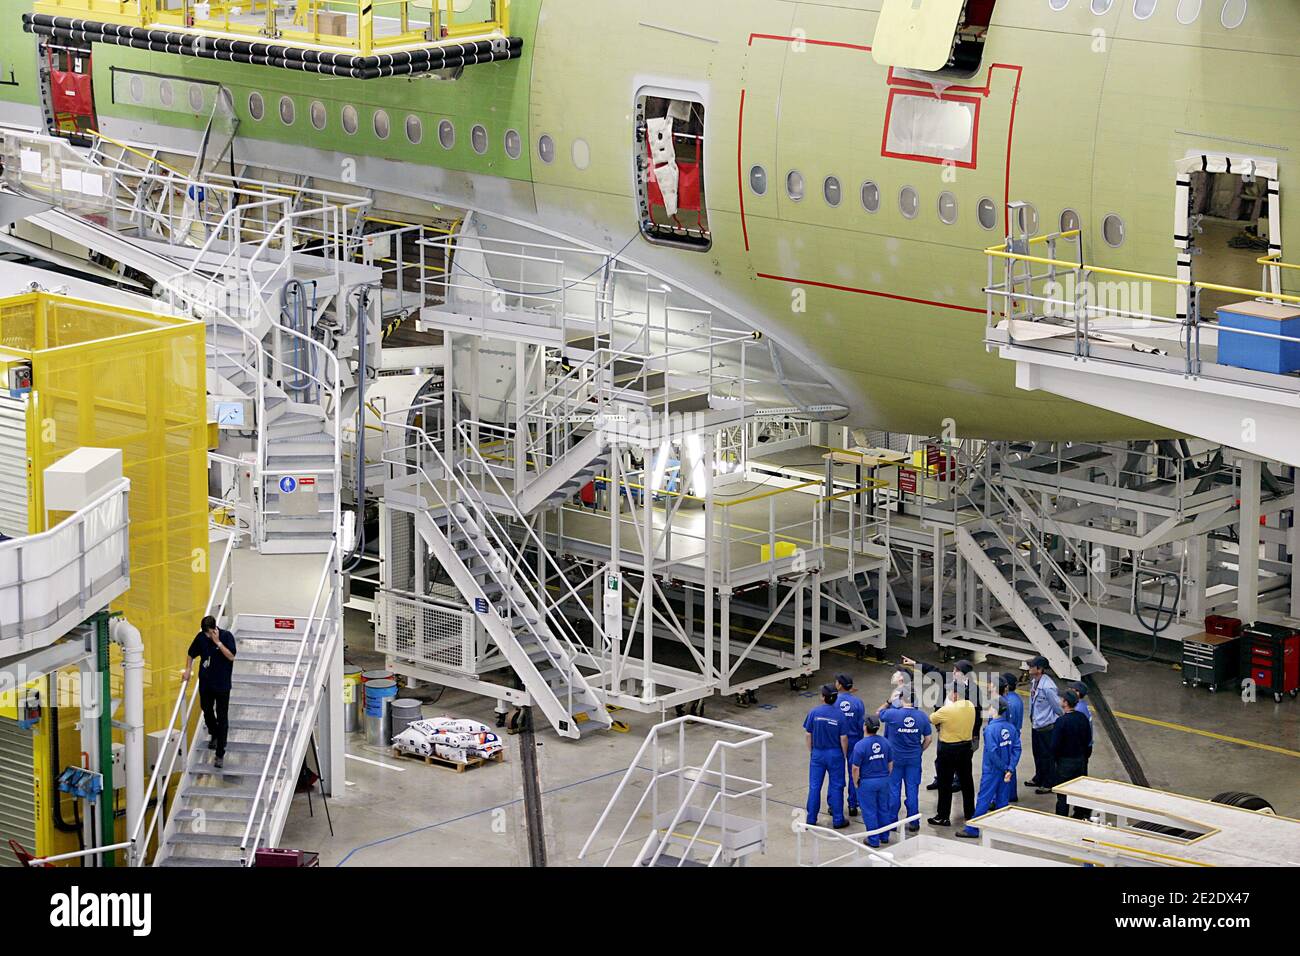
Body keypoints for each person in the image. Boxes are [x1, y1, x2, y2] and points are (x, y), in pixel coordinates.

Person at [957, 698, 1021, 838]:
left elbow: (992, 753)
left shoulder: (990, 729)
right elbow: (1017, 748)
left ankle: (973, 829)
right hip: (1006, 772)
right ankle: (1000, 829)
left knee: (984, 799)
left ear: (995, 709)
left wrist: (1004, 768)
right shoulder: (1011, 728)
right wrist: (1010, 769)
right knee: (1002, 800)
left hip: (992, 771)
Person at [183, 615, 238, 769]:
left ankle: (220, 754)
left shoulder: (227, 637)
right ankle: (214, 732)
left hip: (222, 686)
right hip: (206, 684)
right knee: (206, 710)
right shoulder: (201, 638)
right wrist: (188, 669)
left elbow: (231, 656)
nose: (206, 636)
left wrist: (217, 643)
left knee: (223, 718)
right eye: (205, 634)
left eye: (208, 633)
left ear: (214, 630)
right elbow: (190, 653)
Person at [878, 690, 933, 832]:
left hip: (895, 758)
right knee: (912, 789)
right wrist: (919, 750)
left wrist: (889, 701)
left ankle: (892, 821)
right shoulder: (922, 717)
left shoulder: (892, 714)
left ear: (902, 699)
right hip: (913, 759)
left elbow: (879, 713)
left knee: (894, 789)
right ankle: (913, 822)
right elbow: (928, 738)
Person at [926, 688, 976, 828]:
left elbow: (931, 718)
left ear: (955, 694)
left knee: (945, 783)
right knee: (967, 782)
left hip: (948, 750)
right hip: (965, 748)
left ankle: (943, 816)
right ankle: (970, 813)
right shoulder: (970, 706)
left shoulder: (946, 710)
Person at [804, 683, 850, 829]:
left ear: (823, 697)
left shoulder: (814, 712)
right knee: (836, 786)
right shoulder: (840, 715)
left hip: (818, 753)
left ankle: (811, 818)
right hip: (835, 753)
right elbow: (843, 738)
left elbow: (808, 734)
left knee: (814, 787)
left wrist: (812, 751)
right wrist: (843, 755)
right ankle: (838, 820)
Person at [849, 716, 893, 847]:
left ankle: (873, 840)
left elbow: (855, 768)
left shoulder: (860, 745)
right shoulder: (886, 742)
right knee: (883, 808)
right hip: (883, 780)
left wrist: (856, 782)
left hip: (867, 782)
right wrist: (886, 777)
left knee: (869, 811)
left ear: (864, 727)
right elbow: (890, 763)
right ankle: (885, 836)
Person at [1051, 689, 1093, 818]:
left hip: (1065, 763)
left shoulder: (1061, 721)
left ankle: (1061, 818)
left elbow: (1054, 745)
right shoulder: (1082, 718)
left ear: (1065, 702)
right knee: (1078, 792)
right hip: (1080, 761)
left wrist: (1056, 759)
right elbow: (1088, 739)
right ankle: (1080, 816)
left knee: (1063, 795)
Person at [1027, 656, 1062, 794]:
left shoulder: (1048, 687)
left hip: (1046, 727)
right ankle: (1039, 777)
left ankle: (1049, 782)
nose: (1029, 667)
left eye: (1032, 666)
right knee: (1037, 754)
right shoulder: (1035, 682)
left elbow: (1058, 708)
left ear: (1040, 669)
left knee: (1047, 756)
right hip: (1036, 724)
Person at [834, 674, 866, 817]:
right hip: (854, 741)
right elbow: (861, 724)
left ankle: (834, 805)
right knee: (855, 773)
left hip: (836, 742)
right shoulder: (858, 703)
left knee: (836, 775)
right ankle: (853, 805)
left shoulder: (833, 701)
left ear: (840, 685)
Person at [998, 672, 1024, 802]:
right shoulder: (1018, 699)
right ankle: (1011, 793)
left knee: (1004, 766)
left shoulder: (1007, 702)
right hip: (1015, 735)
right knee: (1011, 765)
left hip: (1007, 737)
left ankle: (1004, 796)